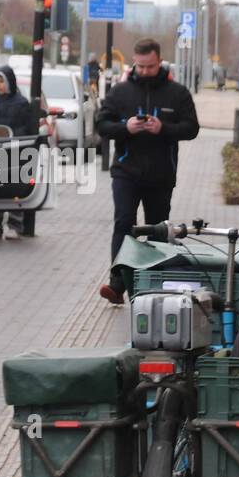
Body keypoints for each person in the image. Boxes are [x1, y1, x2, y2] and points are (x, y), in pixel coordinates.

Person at [95, 38, 200, 303]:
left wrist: (163, 128)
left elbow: (192, 128)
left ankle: (156, 282)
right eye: (139, 66)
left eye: (149, 66)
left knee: (157, 228)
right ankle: (117, 284)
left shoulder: (177, 93)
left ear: (159, 62)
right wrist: (125, 128)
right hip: (126, 171)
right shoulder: (120, 92)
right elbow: (102, 125)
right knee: (123, 223)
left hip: (161, 174)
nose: (143, 71)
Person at [0, 65, 36, 240]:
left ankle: (14, 225)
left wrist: (15, 138)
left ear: (9, 81)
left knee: (14, 189)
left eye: (1, 81)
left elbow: (27, 128)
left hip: (14, 152)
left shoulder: (21, 103)